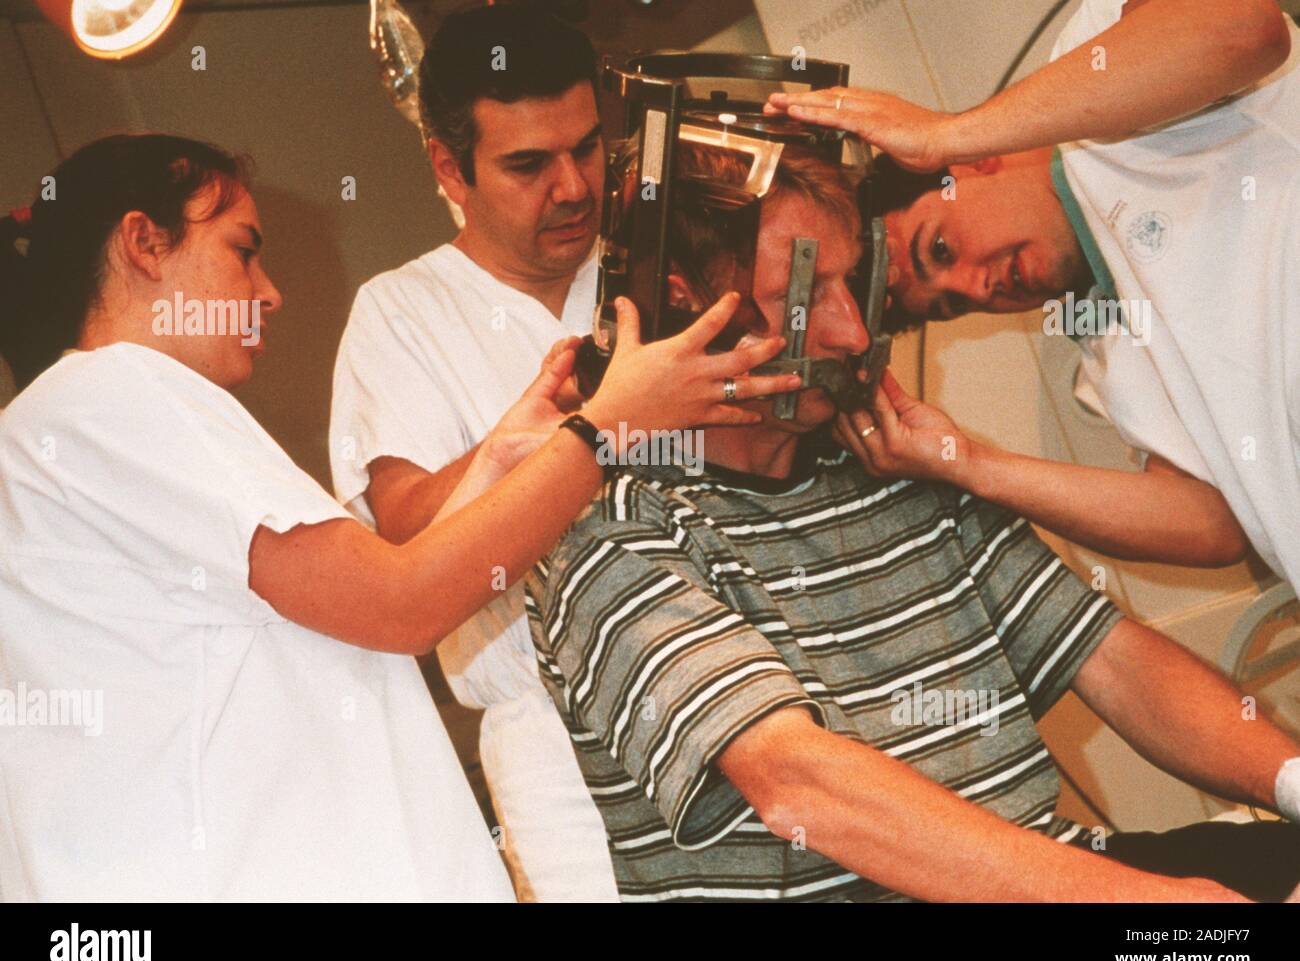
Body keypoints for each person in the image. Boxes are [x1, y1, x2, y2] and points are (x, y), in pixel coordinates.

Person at [0, 132, 795, 901]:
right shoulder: (114, 395)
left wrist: (501, 458)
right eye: (244, 248)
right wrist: (604, 429)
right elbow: (398, 604)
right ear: (144, 242)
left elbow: (343, 609)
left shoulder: (67, 429)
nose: (269, 290)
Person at [524, 142, 1300, 902]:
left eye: (849, 283)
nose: (854, 334)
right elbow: (801, 786)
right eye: (804, 296)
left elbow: (1114, 662)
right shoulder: (607, 530)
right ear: (686, 299)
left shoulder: (887, 469)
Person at [765, 0, 1299, 586]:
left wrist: (949, 132)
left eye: (939, 249)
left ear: (964, 166)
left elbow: (1242, 28)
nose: (976, 286)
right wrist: (969, 464)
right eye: (954, 304)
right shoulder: (1111, 366)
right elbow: (1220, 526)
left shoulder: (1102, 89)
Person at [329, 5, 612, 900]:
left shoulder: (660, 261)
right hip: (559, 747)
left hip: (753, 689)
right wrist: (529, 445)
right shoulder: (401, 312)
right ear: (449, 167)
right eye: (528, 165)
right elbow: (402, 534)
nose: (571, 187)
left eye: (588, 148)